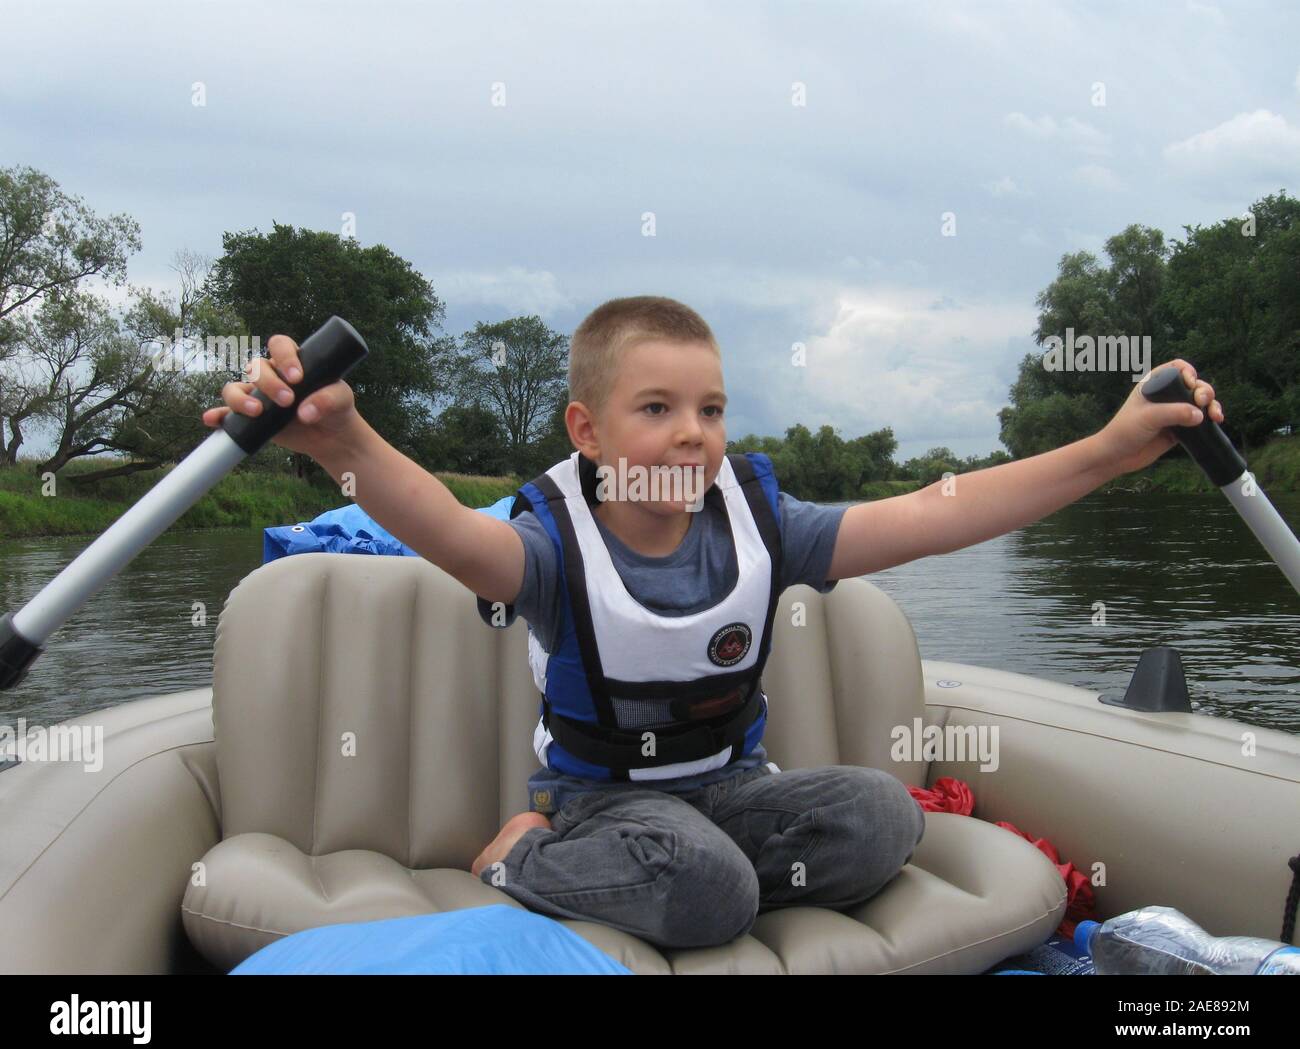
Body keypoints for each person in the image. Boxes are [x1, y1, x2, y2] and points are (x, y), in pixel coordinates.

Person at [202, 295, 1223, 949]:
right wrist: (340, 440)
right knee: (708, 891)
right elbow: (440, 525)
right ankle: (519, 854)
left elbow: (936, 514)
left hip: (736, 790)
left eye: (711, 408)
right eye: (655, 407)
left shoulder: (765, 524)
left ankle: (704, 877)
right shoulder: (553, 549)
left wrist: (1105, 449)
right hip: (603, 803)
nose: (691, 431)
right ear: (588, 432)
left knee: (885, 814)